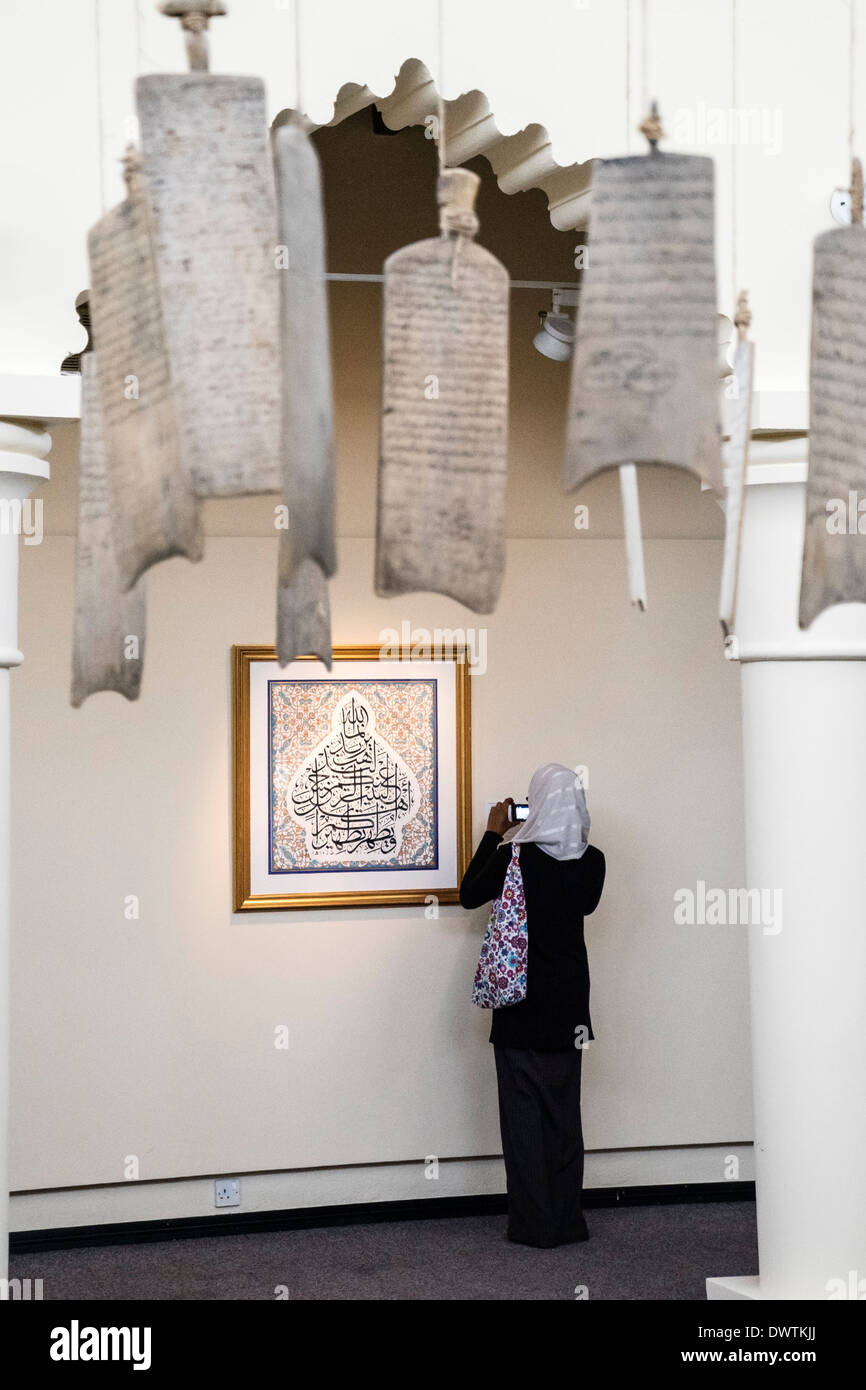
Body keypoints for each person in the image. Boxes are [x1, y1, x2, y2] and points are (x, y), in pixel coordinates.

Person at [460, 762, 605, 1248]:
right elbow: (583, 902)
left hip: (519, 1004)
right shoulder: (593, 862)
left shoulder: (512, 858)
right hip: (569, 1009)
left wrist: (494, 833)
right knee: (564, 1117)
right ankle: (568, 1222)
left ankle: (533, 1224)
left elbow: (468, 894)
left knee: (523, 1119)